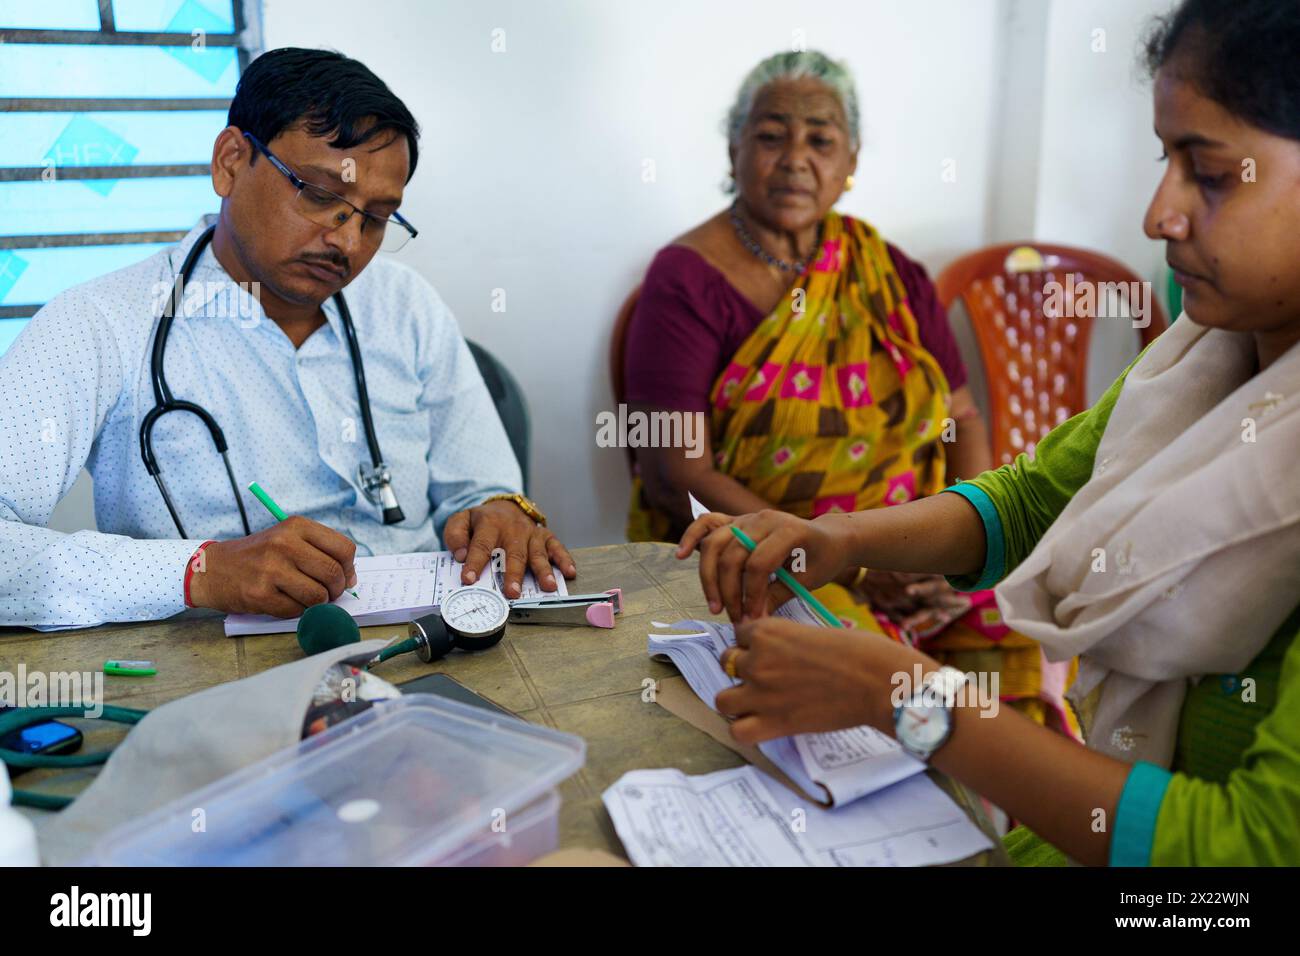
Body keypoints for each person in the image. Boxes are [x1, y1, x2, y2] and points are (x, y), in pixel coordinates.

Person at [679, 0, 1300, 865]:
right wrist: (841, 538)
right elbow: (1032, 497)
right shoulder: (1200, 359)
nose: (1158, 215)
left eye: (1212, 173)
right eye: (1165, 161)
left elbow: (1249, 855)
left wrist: (901, 695)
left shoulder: (885, 271)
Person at [0, 48, 574, 630]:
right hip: (212, 674)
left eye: (375, 218)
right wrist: (200, 571)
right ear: (230, 162)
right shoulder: (99, 325)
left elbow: (483, 489)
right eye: (321, 195)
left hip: (433, 639)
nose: (347, 243)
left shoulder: (405, 306)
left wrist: (500, 514)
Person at [623, 50, 1074, 733]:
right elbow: (675, 474)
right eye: (772, 135)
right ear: (734, 147)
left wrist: (963, 539)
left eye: (821, 138)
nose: (796, 157)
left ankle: (999, 823)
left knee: (1016, 630)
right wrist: (841, 562)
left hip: (912, 547)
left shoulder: (889, 271)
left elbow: (961, 415)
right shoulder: (685, 281)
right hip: (768, 559)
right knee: (867, 679)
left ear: (850, 159)